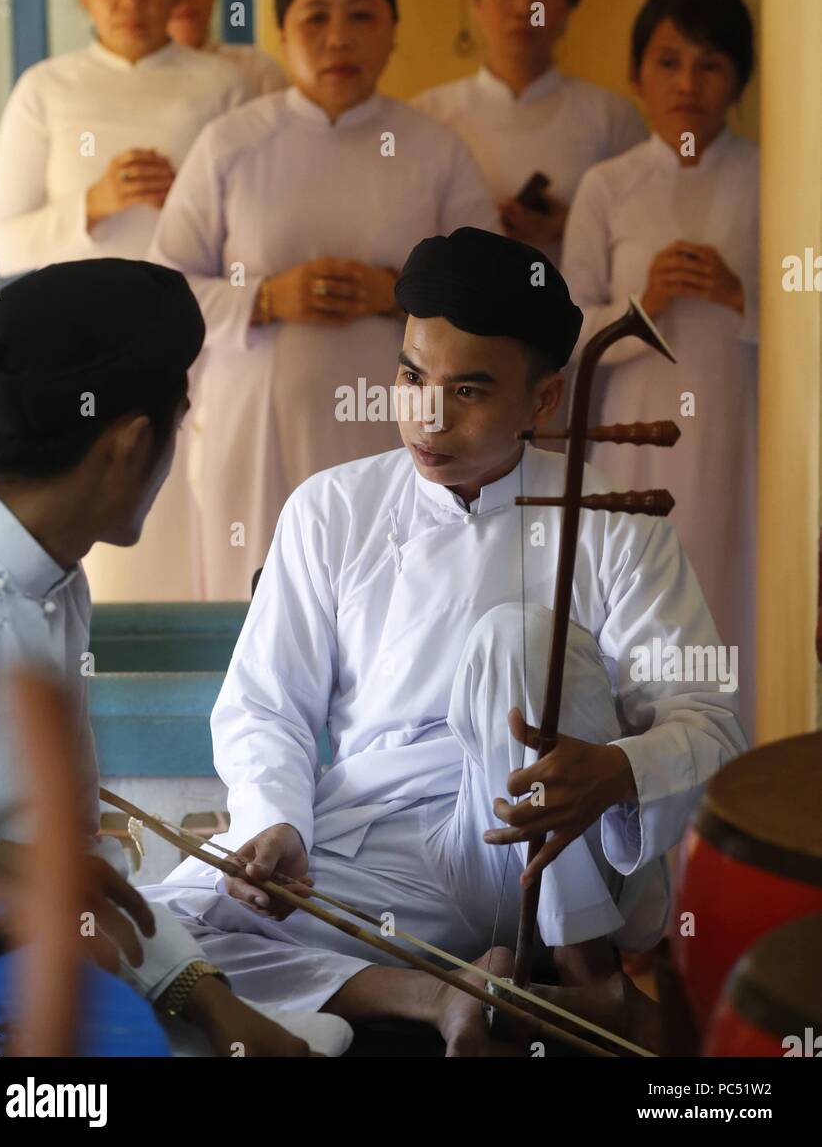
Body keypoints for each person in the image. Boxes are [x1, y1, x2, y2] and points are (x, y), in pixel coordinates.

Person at [144, 227, 746, 1055]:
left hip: (538, 848)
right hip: (383, 849)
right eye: (411, 376)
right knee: (146, 936)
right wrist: (277, 821)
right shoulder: (331, 510)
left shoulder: (614, 520)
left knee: (514, 640)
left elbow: (712, 722)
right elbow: (264, 705)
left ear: (545, 400)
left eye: (468, 391)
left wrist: (616, 771)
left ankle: (584, 971)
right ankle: (438, 993)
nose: (428, 415)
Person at [0, 258, 351, 1057]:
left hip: (24, 953)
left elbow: (83, 858)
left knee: (295, 1037)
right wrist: (14, 864)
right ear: (133, 444)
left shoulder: (58, 587)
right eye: (183, 421)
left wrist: (208, 1000)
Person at [150, 0, 498, 597]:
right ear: (282, 30)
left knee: (389, 614)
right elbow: (166, 291)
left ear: (393, 30)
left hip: (398, 430)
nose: (338, 38)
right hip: (255, 435)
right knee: (259, 616)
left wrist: (398, 296)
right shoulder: (233, 143)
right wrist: (265, 299)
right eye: (315, 17)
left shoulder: (434, 150)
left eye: (361, 16)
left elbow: (491, 291)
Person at [0, 0, 252, 602]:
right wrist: (91, 205)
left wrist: (189, 206)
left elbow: (256, 233)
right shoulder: (46, 89)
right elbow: (0, 242)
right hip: (79, 373)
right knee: (110, 571)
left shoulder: (225, 89)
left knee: (206, 546)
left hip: (204, 358)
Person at [561, 0, 758, 729]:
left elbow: (802, 318)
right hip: (636, 432)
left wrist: (742, 297)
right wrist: (642, 307)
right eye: (667, 61)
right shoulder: (608, 186)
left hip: (739, 426)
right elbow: (569, 328)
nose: (686, 84)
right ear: (636, 75)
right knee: (641, 602)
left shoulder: (767, 175)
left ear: (738, 78)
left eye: (709, 65)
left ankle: (734, 775)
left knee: (732, 586)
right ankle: (640, 785)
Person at [413, 0, 646, 264]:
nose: (525, 8)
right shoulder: (427, 116)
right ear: (476, 1)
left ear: (570, 4)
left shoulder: (613, 119)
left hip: (577, 315)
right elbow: (401, 234)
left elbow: (645, 238)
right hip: (456, 316)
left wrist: (571, 227)